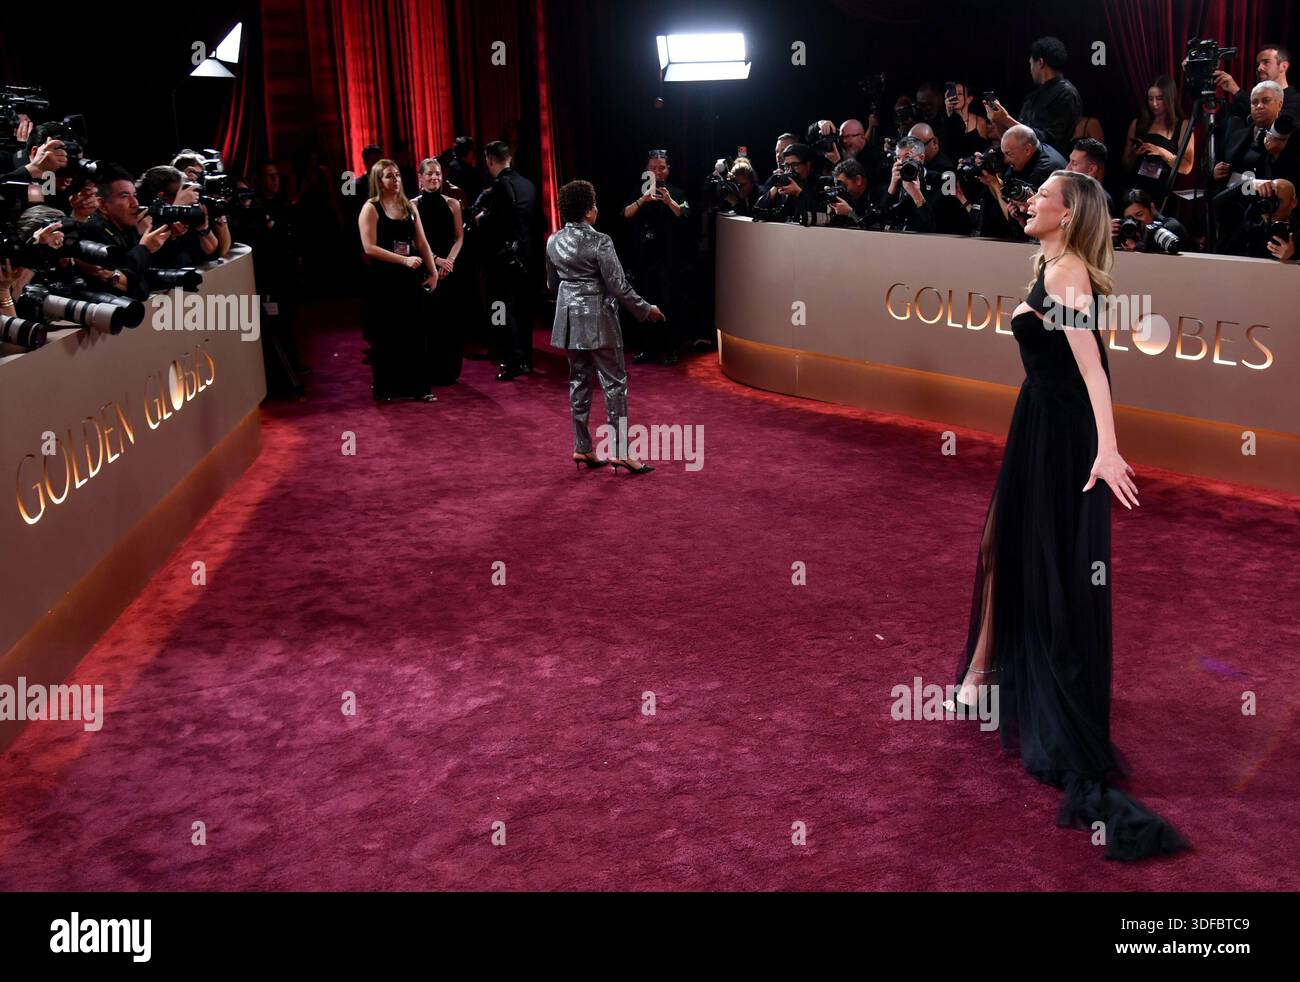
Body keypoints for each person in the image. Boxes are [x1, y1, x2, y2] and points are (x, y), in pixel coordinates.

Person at [948, 168, 1190, 861]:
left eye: (1040, 197)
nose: (1030, 202)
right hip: (1040, 422)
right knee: (1002, 545)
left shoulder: (1068, 276)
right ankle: (982, 673)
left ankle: (990, 677)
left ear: (1068, 212)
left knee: (1031, 552)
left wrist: (1109, 449)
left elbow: (1093, 369)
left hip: (1062, 434)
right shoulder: (1051, 263)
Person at [546, 180, 665, 475]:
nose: (597, 209)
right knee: (614, 384)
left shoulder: (552, 241)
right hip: (599, 318)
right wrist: (645, 309)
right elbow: (618, 285)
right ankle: (622, 453)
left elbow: (552, 284)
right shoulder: (601, 241)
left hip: (569, 319)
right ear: (588, 211)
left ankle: (582, 446)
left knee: (578, 381)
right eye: (595, 204)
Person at [357, 159, 440, 403]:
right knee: (386, 335)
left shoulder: (408, 206)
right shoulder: (371, 208)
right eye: (389, 177)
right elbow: (369, 247)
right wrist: (402, 261)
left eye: (397, 175)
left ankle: (419, 386)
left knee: (415, 333)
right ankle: (385, 387)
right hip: (383, 280)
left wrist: (433, 271)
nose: (395, 180)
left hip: (409, 279)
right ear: (378, 181)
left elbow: (422, 243)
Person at [471, 140, 537, 381]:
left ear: (489, 160)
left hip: (501, 259)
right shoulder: (528, 184)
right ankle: (526, 358)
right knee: (523, 310)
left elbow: (496, 222)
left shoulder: (499, 187)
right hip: (526, 257)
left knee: (500, 309)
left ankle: (512, 358)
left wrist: (480, 218)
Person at [624, 149, 689, 365]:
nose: (657, 171)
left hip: (669, 258)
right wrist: (643, 200)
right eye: (653, 168)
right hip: (644, 257)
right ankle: (648, 349)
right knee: (644, 302)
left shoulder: (677, 192)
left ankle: (672, 349)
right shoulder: (639, 191)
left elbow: (684, 213)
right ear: (646, 170)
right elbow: (625, 213)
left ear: (668, 170)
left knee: (669, 302)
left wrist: (669, 202)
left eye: (661, 168)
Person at [415, 157, 465, 386]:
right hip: (426, 269)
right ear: (421, 178)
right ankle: (428, 369)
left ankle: (450, 370)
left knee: (451, 321)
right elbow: (415, 240)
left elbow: (459, 236)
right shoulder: (412, 205)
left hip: (450, 271)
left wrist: (450, 262)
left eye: (437, 174)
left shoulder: (453, 204)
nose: (434, 177)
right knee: (428, 321)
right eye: (430, 174)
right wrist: (435, 261)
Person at [987, 37, 1082, 156]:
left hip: (1048, 167)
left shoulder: (1066, 94)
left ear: (1040, 63)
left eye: (1031, 63)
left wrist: (1006, 119)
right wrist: (997, 120)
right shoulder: (1033, 96)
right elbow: (1015, 140)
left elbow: (1051, 140)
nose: (1030, 69)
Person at [1122, 75, 1195, 198]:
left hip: (1163, 193)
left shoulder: (1182, 124)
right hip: (1135, 191)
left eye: (1159, 98)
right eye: (1150, 99)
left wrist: (1160, 152)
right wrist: (1135, 154)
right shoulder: (1137, 123)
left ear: (1169, 98)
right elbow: (1125, 165)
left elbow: (1186, 168)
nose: (1154, 104)